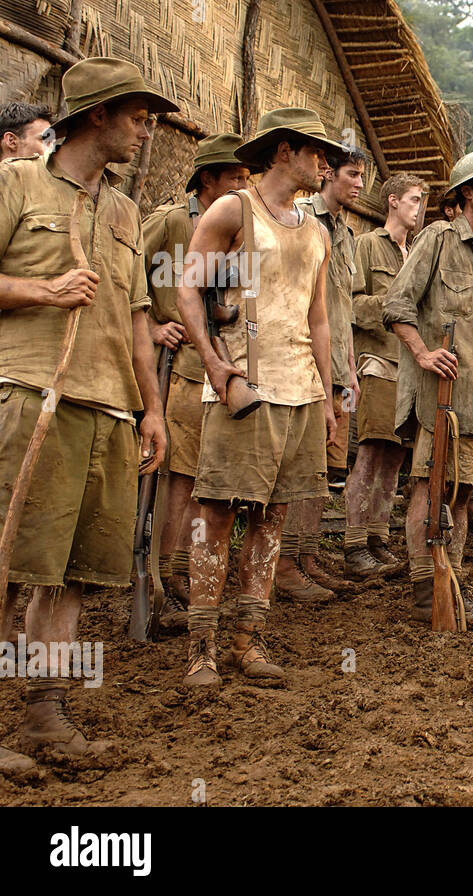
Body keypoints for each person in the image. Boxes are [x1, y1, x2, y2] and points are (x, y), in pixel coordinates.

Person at [0, 58, 173, 770]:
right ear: (96, 114)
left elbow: (138, 322)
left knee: (72, 573)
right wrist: (45, 291)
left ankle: (46, 713)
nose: (146, 131)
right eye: (137, 116)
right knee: (9, 562)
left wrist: (151, 409)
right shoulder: (17, 182)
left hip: (109, 410)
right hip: (32, 394)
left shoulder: (127, 210)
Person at [176, 107, 344, 688]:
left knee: (272, 517)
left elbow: (317, 317)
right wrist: (216, 366)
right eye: (315, 150)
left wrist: (325, 394)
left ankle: (249, 639)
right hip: (242, 388)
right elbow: (189, 286)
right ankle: (201, 646)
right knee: (218, 513)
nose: (326, 162)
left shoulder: (317, 230)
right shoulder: (232, 209)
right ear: (281, 152)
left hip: (298, 388)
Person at [383, 150, 473, 624]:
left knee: (461, 494)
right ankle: (424, 587)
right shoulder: (437, 239)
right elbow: (397, 305)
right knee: (428, 486)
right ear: (465, 192)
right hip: (442, 400)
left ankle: (449, 581)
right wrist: (421, 353)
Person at [141, 133, 251, 632]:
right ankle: (158, 581)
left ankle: (183, 575)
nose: (242, 189)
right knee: (176, 480)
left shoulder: (237, 231)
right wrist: (150, 324)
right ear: (207, 180)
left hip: (216, 365)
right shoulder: (169, 222)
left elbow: (230, 300)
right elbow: (123, 276)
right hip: (176, 370)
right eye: (234, 179)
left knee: (205, 479)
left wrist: (227, 312)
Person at [276, 149, 364, 600]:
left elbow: (341, 310)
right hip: (303, 362)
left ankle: (307, 558)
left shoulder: (345, 234)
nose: (360, 184)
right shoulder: (301, 220)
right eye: (352, 174)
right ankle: (285, 565)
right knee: (298, 467)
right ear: (327, 172)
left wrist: (349, 371)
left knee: (321, 469)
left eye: (363, 176)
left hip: (336, 366)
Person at [342, 173, 426, 575]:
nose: (419, 207)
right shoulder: (367, 246)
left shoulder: (415, 253)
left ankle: (378, 537)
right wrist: (394, 306)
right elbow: (353, 306)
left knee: (395, 457)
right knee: (371, 453)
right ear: (392, 201)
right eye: (413, 199)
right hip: (378, 363)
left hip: (410, 369)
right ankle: (354, 544)